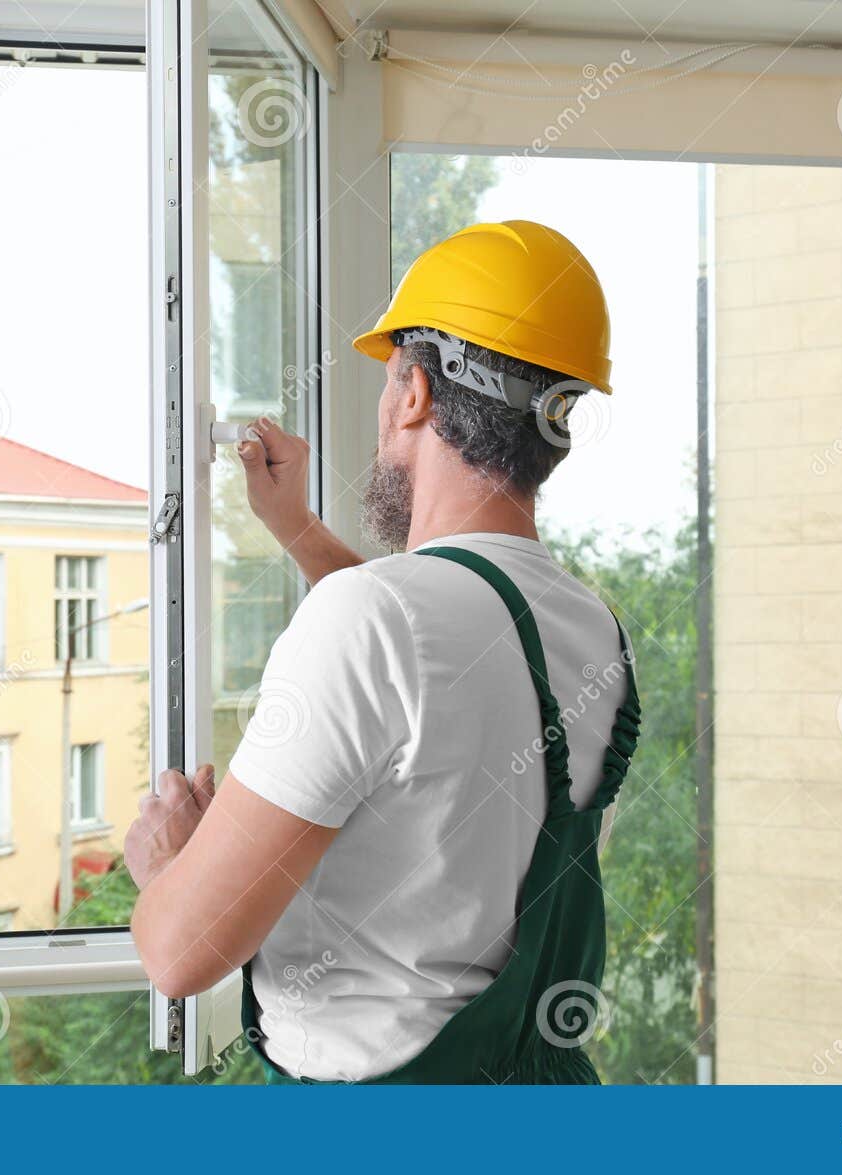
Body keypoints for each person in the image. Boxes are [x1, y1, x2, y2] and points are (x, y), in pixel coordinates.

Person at [125, 220, 640, 1084]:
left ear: (415, 394)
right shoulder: (591, 626)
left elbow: (180, 955)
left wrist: (170, 861)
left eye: (387, 376)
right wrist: (298, 531)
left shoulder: (375, 620)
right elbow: (442, 649)